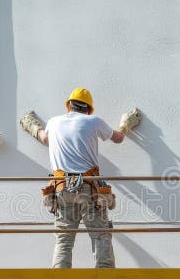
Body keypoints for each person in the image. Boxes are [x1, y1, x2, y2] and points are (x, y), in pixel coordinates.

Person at [19, 87, 141, 268]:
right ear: (88, 109)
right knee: (100, 235)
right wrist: (126, 123)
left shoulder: (53, 122)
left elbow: (45, 138)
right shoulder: (93, 121)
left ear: (69, 106)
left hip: (61, 189)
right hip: (88, 188)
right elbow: (118, 138)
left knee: (64, 240)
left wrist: (31, 124)